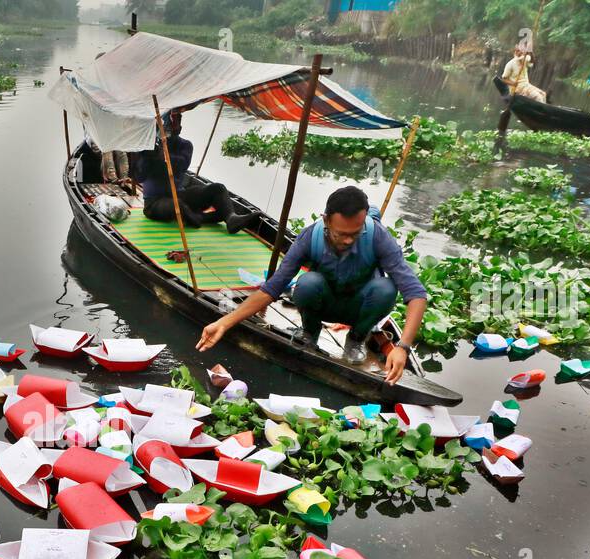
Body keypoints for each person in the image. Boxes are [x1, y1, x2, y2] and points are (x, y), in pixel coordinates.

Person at [195, 185, 427, 383]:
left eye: (355, 233)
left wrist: (402, 347)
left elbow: (416, 293)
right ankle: (309, 331)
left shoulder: (377, 236)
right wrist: (224, 323)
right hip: (325, 303)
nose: (348, 239)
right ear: (326, 220)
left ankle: (356, 339)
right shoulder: (310, 237)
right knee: (307, 283)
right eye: (341, 234)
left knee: (386, 289)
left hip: (360, 309)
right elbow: (272, 288)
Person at [131, 109, 260, 234]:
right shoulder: (149, 147)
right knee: (179, 206)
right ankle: (201, 218)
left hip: (179, 194)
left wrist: (164, 157)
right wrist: (149, 157)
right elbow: (139, 177)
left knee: (218, 189)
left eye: (177, 123)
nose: (173, 127)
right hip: (154, 203)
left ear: (180, 128)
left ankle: (231, 218)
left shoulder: (185, 145)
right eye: (170, 124)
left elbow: (182, 165)